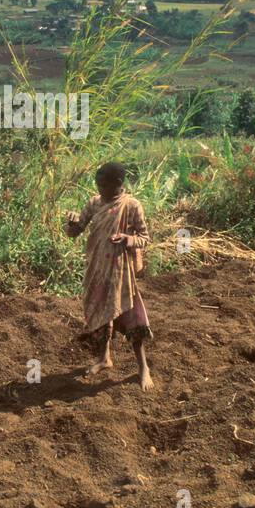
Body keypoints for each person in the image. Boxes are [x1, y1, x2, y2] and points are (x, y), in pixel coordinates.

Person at [64, 162, 153, 391]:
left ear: (119, 184)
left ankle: (143, 367)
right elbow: (75, 232)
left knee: (130, 314)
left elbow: (144, 237)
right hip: (97, 268)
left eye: (104, 186)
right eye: (98, 185)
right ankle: (104, 358)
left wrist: (127, 239)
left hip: (121, 271)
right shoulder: (94, 203)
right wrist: (72, 223)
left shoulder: (132, 205)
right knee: (102, 313)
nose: (100, 190)